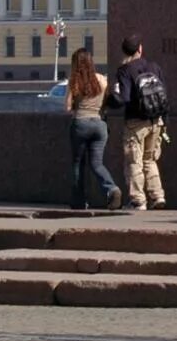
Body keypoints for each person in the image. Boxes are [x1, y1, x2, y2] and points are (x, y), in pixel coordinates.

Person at [109, 34, 169, 210]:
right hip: (155, 120)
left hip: (135, 122)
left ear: (124, 51)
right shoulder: (154, 67)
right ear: (140, 49)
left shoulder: (125, 70)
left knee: (134, 161)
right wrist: (164, 121)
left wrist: (111, 99)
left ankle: (138, 200)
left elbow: (124, 98)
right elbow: (164, 95)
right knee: (149, 160)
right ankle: (158, 196)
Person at [65, 48, 123, 211]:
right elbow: (106, 104)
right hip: (99, 125)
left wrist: (78, 104)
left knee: (78, 164)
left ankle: (79, 201)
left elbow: (67, 107)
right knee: (97, 164)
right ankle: (112, 189)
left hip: (81, 124)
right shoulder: (102, 80)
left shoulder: (74, 81)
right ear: (91, 62)